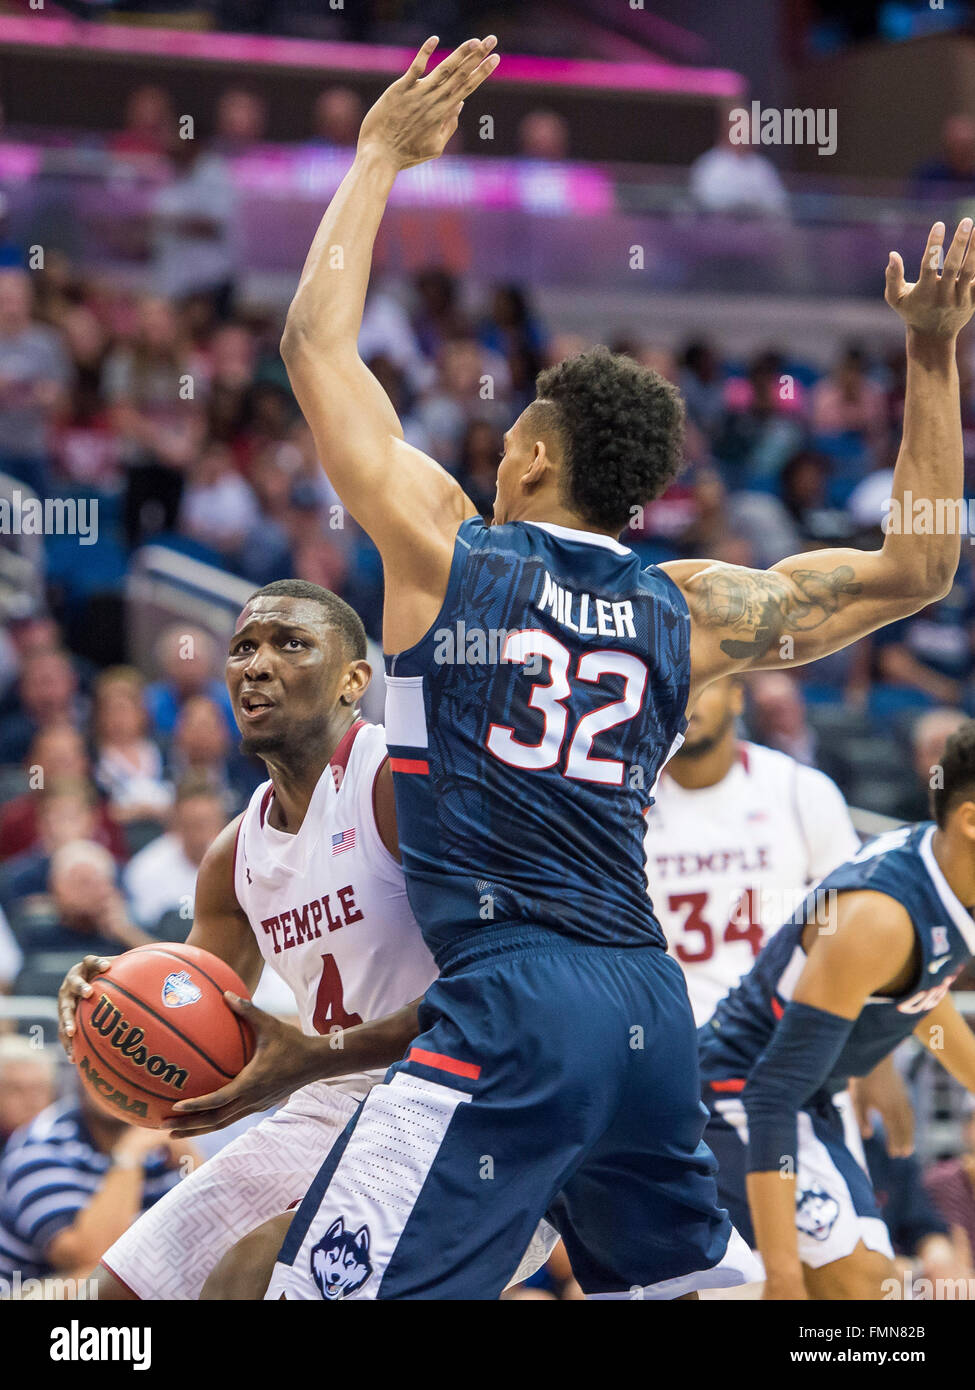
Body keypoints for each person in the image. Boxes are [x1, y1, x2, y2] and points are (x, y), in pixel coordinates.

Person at [202, 38, 975, 1302]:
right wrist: (934, 358)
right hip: (648, 1008)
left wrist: (379, 158)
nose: (497, 452)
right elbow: (918, 572)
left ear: (541, 463)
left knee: (312, 1294)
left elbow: (310, 347)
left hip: (512, 1007)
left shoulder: (449, 547)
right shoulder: (691, 607)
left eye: (513, 439)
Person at [57, 581, 550, 1300]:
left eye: (290, 644)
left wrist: (315, 1056)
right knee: (123, 1295)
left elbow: (505, 990)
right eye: (242, 649)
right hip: (331, 1100)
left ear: (355, 680)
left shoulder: (401, 788)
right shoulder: (234, 856)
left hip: (474, 1099)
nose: (255, 665)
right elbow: (198, 1027)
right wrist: (107, 1008)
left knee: (251, 1278)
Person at [699, 720, 975, 1299]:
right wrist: (783, 1276)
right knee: (849, 1294)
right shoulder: (879, 917)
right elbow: (771, 1093)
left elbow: (920, 984)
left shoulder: (942, 866)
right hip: (734, 1091)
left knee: (869, 1289)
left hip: (809, 1095)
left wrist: (879, 1068)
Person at [645, 674, 858, 1027]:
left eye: (703, 683)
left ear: (736, 697)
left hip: (781, 1032)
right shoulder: (627, 805)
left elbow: (849, 919)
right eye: (672, 686)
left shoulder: (800, 789)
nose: (688, 699)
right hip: (674, 1036)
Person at [0, 1083, 193, 1282]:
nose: (115, 1082)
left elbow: (211, 1236)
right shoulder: (41, 1147)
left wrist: (191, 1159)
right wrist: (127, 1158)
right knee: (107, 1278)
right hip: (24, 1288)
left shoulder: (161, 1145)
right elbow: (93, 1259)